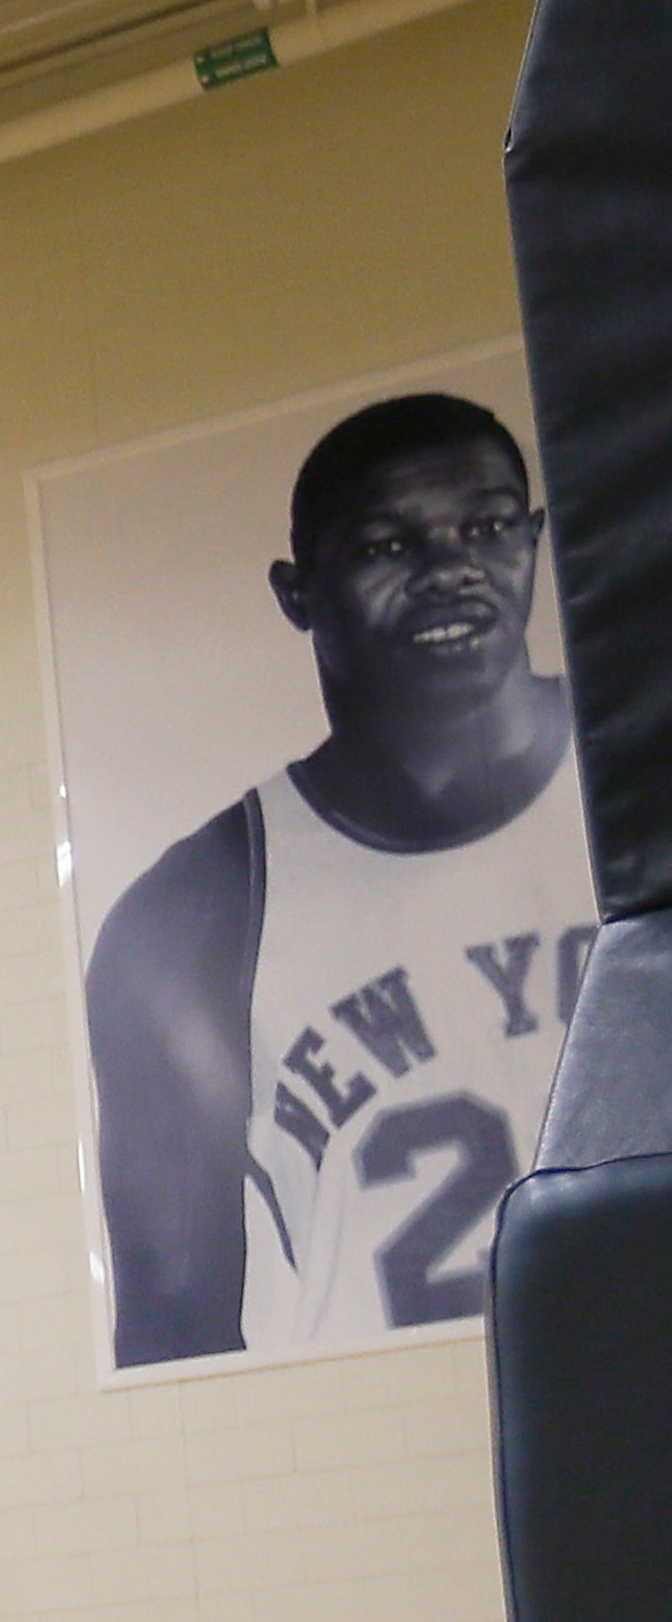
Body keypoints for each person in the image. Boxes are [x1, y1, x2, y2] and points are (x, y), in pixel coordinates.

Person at [86, 391, 594, 1367]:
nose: (451, 571)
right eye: (384, 547)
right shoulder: (192, 916)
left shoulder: (639, 775)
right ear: (296, 593)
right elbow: (173, 1330)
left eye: (487, 528)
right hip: (408, 1438)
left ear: (535, 540)